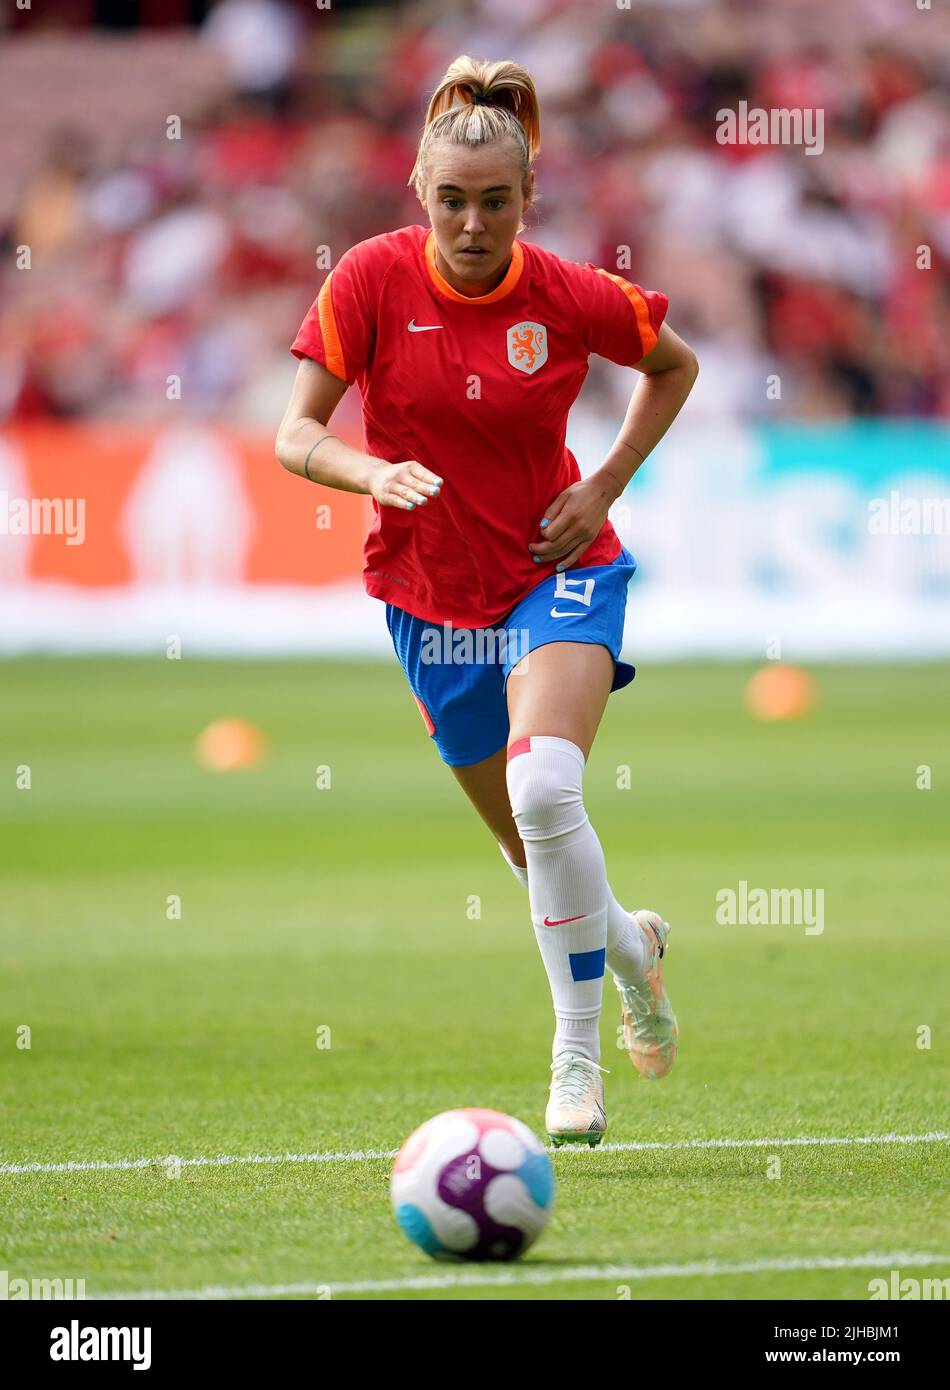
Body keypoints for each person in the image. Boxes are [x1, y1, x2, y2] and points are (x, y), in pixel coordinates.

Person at [276, 55, 699, 1146]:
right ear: (419, 190)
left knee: (546, 783)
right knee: (531, 843)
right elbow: (295, 433)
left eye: (495, 203)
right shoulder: (367, 281)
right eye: (453, 201)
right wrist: (369, 474)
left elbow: (673, 365)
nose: (472, 225)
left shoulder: (561, 292)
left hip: (556, 568)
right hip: (428, 599)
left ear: (527, 199)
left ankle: (573, 1056)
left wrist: (601, 483)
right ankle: (633, 951)